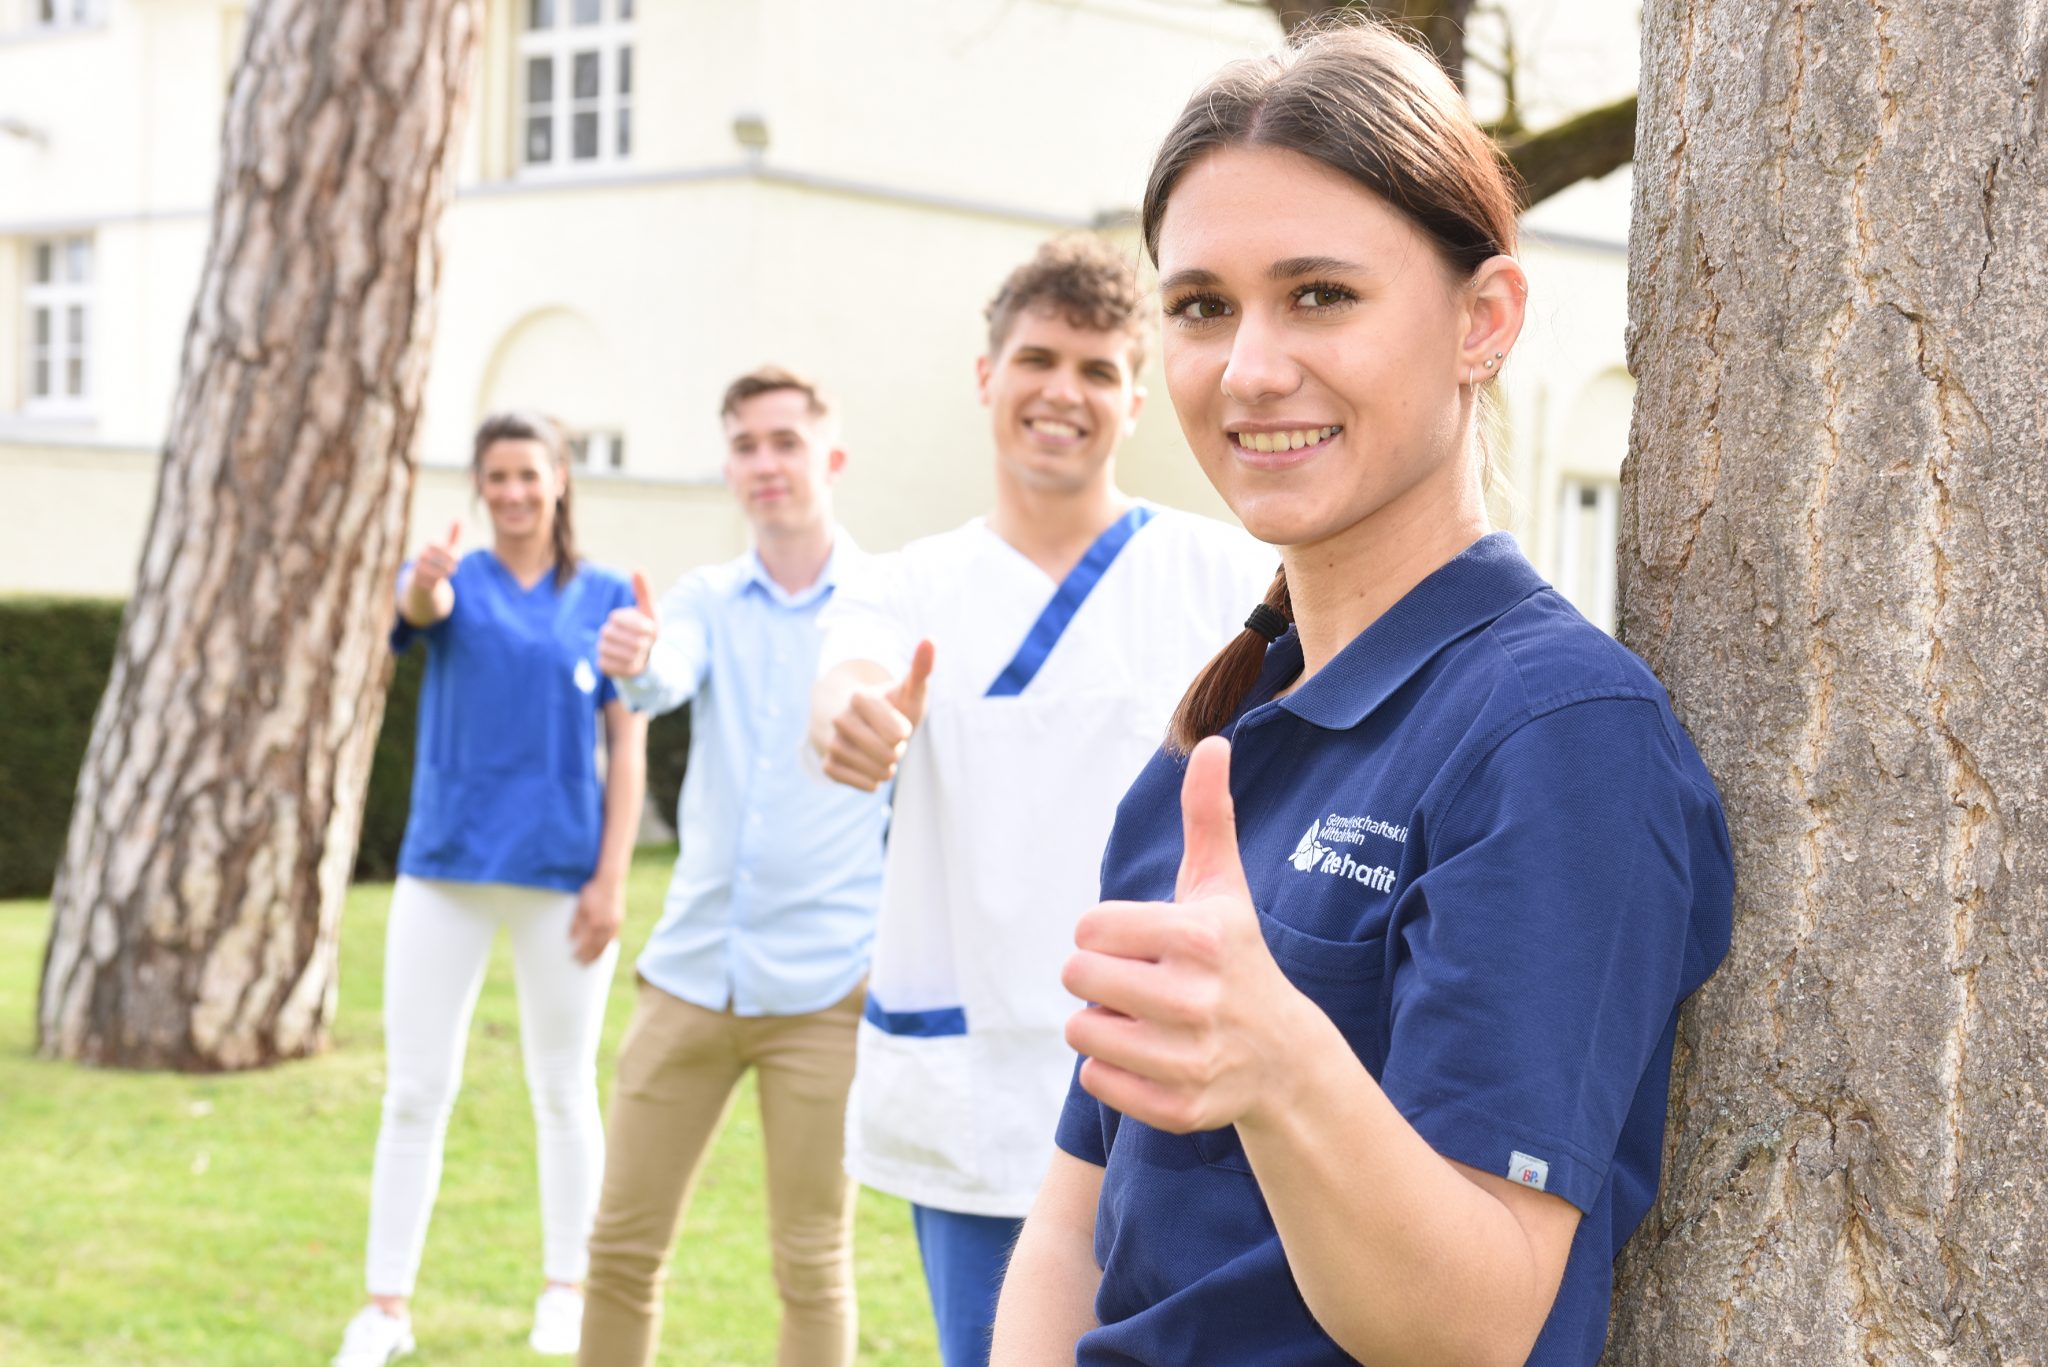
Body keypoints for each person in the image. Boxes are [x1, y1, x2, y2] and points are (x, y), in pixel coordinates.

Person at [989, 22, 1736, 1367]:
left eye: (1321, 293)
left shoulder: (1553, 734)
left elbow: (1475, 1316)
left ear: (1483, 319)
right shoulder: (1209, 748)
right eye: (1204, 305)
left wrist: (1282, 1065)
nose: (1251, 366)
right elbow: (1070, 1222)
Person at [811, 235, 1277, 1366]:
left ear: (1134, 396)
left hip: (1170, 1095)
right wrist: (854, 714)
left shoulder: (1228, 578)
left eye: (1095, 368)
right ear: (986, 376)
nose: (1060, 392)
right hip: (973, 1091)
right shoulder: (902, 583)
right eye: (1035, 359)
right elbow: (846, 681)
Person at [576, 368, 891, 1367]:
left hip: (823, 995)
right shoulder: (703, 599)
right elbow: (663, 670)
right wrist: (631, 654)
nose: (765, 462)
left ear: (828, 458)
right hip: (690, 977)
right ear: (729, 465)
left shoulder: (885, 607)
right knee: (619, 1252)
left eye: (785, 441)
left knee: (812, 1263)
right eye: (746, 444)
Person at [333, 413, 646, 1367]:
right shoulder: (448, 581)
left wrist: (610, 878)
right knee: (416, 1091)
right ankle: (385, 1306)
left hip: (563, 881)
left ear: (559, 480)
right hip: (446, 871)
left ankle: (568, 1291)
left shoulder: (604, 595)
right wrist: (425, 579)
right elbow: (417, 613)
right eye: (495, 477)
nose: (511, 492)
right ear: (479, 487)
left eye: (528, 474)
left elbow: (627, 744)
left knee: (563, 1088)